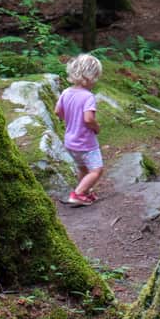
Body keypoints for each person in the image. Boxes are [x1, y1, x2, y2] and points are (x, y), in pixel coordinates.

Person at [55, 53, 104, 206]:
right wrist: (96, 127)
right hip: (86, 143)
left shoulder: (66, 92)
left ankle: (85, 192)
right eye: (96, 77)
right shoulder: (88, 96)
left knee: (83, 169)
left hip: (70, 142)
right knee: (96, 170)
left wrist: (70, 119)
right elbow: (88, 119)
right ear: (90, 77)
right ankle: (78, 193)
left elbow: (57, 111)